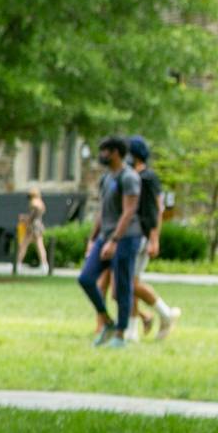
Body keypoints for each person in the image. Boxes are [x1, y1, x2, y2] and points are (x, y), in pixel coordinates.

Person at [79, 136, 141, 347]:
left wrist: (115, 240)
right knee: (86, 278)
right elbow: (101, 210)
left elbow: (129, 210)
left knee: (122, 286)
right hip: (104, 237)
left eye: (105, 151)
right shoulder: (106, 178)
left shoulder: (129, 177)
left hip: (125, 238)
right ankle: (106, 321)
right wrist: (93, 238)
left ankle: (120, 334)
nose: (102, 155)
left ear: (116, 152)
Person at [120, 137, 181, 340]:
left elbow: (156, 210)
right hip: (130, 235)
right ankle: (131, 330)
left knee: (131, 283)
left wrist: (155, 238)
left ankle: (165, 314)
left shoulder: (148, 178)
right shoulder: (131, 177)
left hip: (144, 235)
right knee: (129, 283)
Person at [19, 187, 51, 273]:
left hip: (32, 226)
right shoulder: (41, 202)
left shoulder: (34, 203)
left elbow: (32, 216)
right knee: (40, 246)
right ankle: (44, 265)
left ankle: (18, 264)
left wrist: (24, 219)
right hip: (39, 225)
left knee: (23, 245)